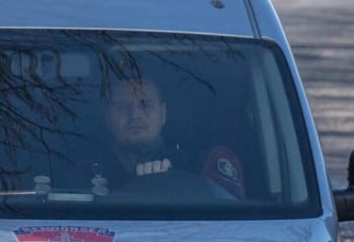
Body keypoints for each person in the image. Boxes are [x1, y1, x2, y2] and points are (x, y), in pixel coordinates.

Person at [89, 76, 244, 199]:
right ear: (107, 117)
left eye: (145, 105)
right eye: (122, 107)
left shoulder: (197, 165)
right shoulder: (79, 170)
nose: (134, 115)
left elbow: (228, 223)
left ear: (163, 113)